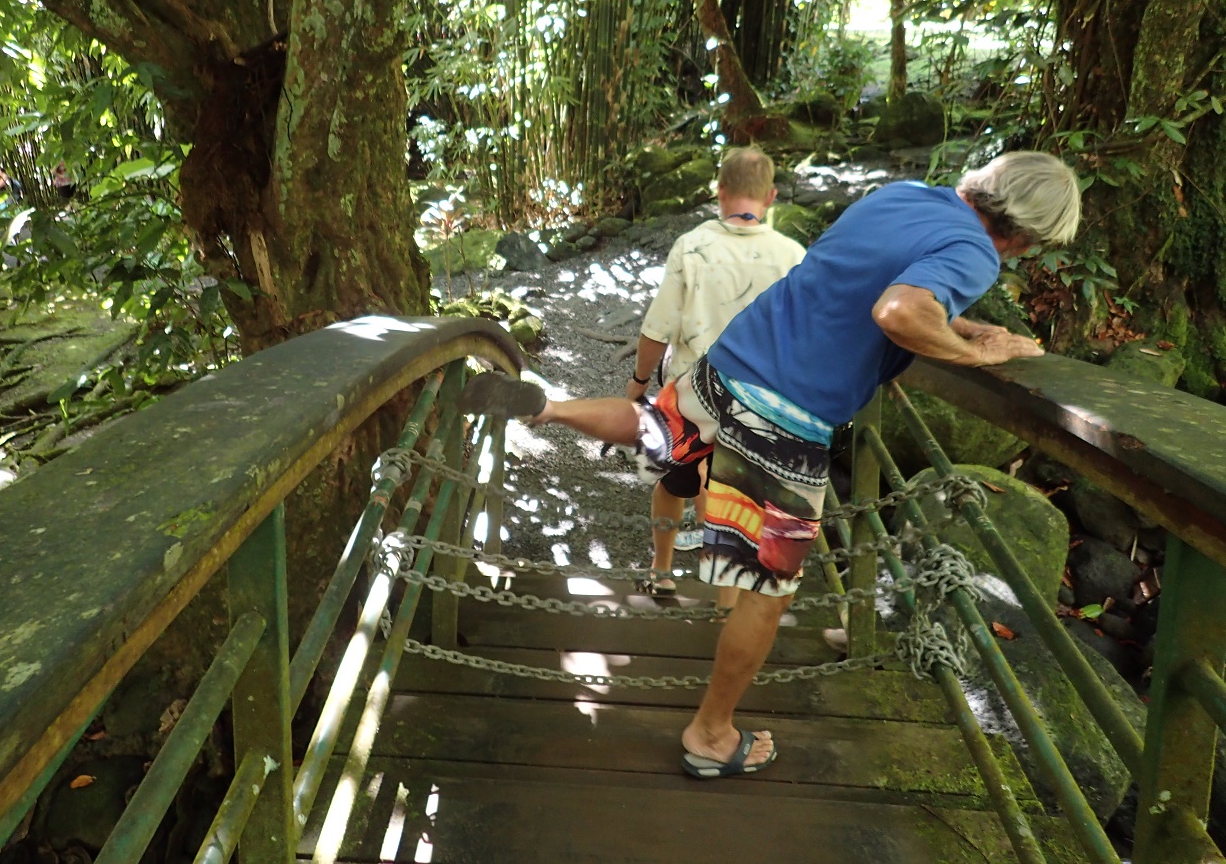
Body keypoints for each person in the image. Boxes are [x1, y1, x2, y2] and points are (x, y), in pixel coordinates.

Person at [459, 151, 1081, 780]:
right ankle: (709, 732)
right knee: (766, 588)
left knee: (658, 426)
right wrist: (978, 358)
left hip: (736, 358)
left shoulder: (907, 196)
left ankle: (548, 409)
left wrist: (959, 326)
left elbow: (863, 278)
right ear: (1026, 234)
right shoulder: (975, 251)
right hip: (787, 415)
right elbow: (897, 311)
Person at [628, 147, 804, 599]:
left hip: (691, 394)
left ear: (719, 192)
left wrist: (639, 381)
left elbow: (658, 328)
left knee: (673, 483)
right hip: (759, 403)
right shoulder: (792, 255)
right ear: (772, 196)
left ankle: (662, 571)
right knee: (738, 501)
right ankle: (726, 602)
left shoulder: (692, 246)